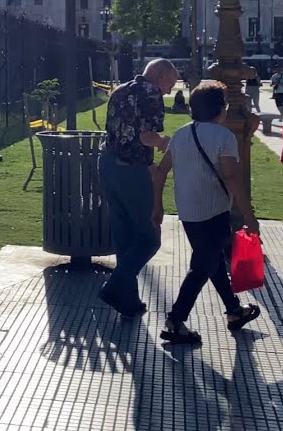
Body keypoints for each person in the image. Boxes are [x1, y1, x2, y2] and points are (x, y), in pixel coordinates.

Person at [152, 82, 262, 345]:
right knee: (204, 266)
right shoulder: (224, 137)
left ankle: (234, 310)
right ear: (221, 109)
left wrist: (157, 205)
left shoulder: (180, 135)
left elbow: (161, 170)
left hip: (188, 211)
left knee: (210, 261)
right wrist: (249, 216)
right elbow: (232, 179)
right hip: (215, 210)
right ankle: (176, 321)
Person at [98, 58, 176, 316]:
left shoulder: (120, 90)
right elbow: (145, 136)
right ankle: (115, 286)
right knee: (149, 238)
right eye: (171, 84)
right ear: (161, 75)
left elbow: (119, 130)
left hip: (108, 162)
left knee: (123, 236)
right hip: (130, 169)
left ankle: (128, 300)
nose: (169, 91)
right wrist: (164, 142)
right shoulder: (151, 93)